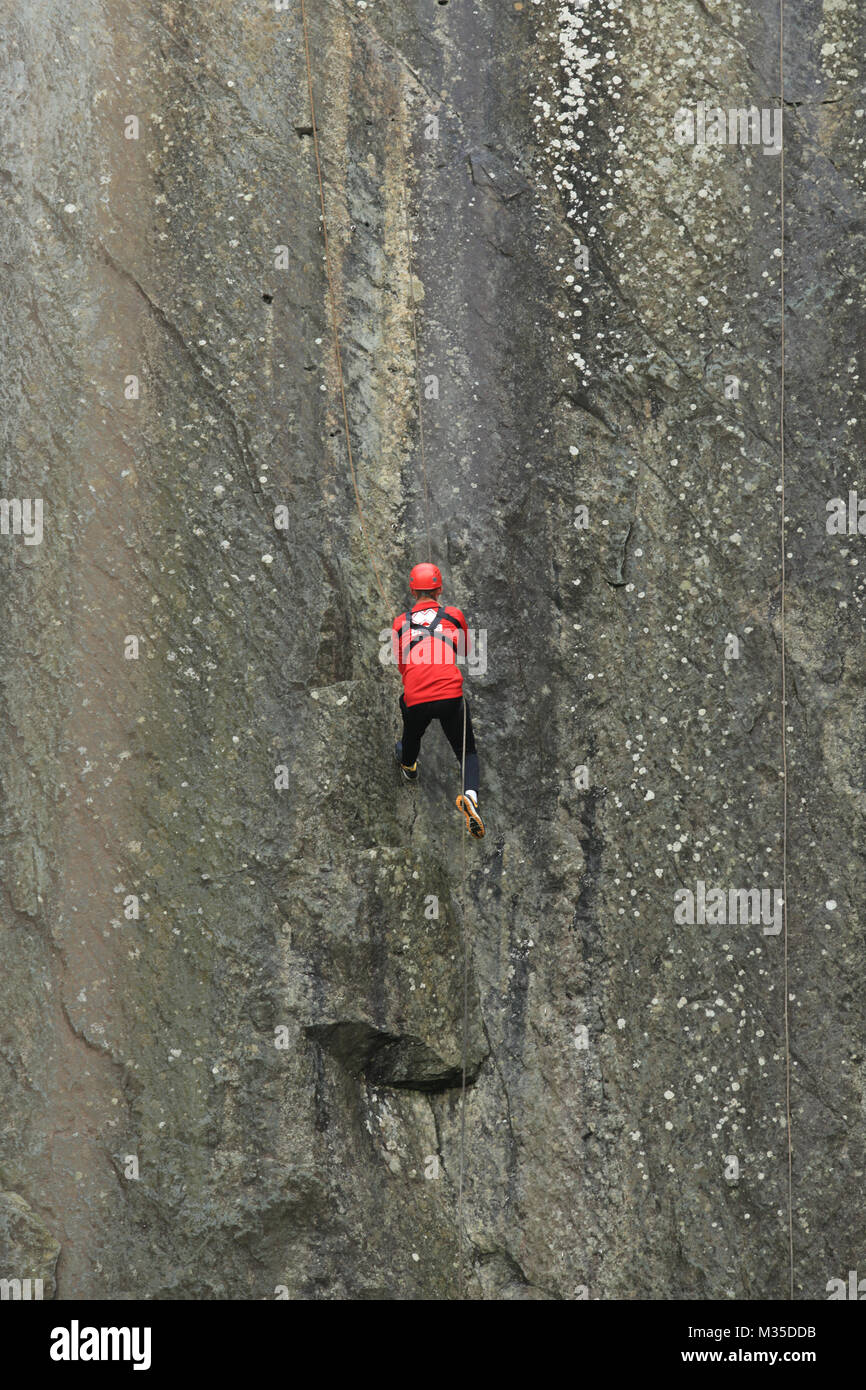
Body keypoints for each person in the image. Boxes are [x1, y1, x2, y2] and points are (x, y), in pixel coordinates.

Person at [391, 562, 485, 838]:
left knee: (411, 730)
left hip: (416, 695)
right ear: (440, 588)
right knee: (466, 751)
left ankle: (408, 764)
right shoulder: (453, 615)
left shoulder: (400, 622)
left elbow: (402, 666)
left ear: (412, 589)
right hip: (449, 695)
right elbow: (466, 649)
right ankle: (470, 796)